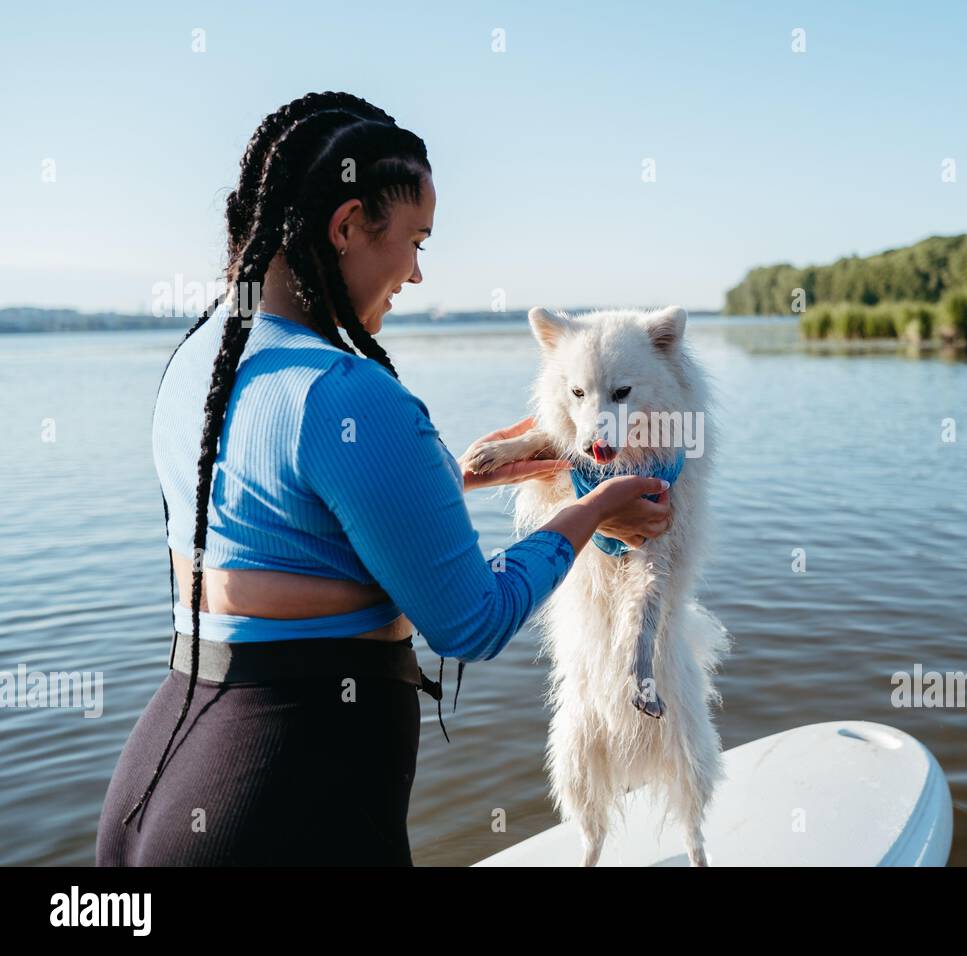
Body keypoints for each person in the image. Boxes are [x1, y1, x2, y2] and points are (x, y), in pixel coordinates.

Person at [95, 92, 671, 866]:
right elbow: (473, 621)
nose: (419, 273)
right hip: (288, 800)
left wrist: (453, 480)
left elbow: (289, 526)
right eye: (414, 239)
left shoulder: (199, 362)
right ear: (346, 227)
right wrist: (594, 508)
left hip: (159, 778)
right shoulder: (346, 390)